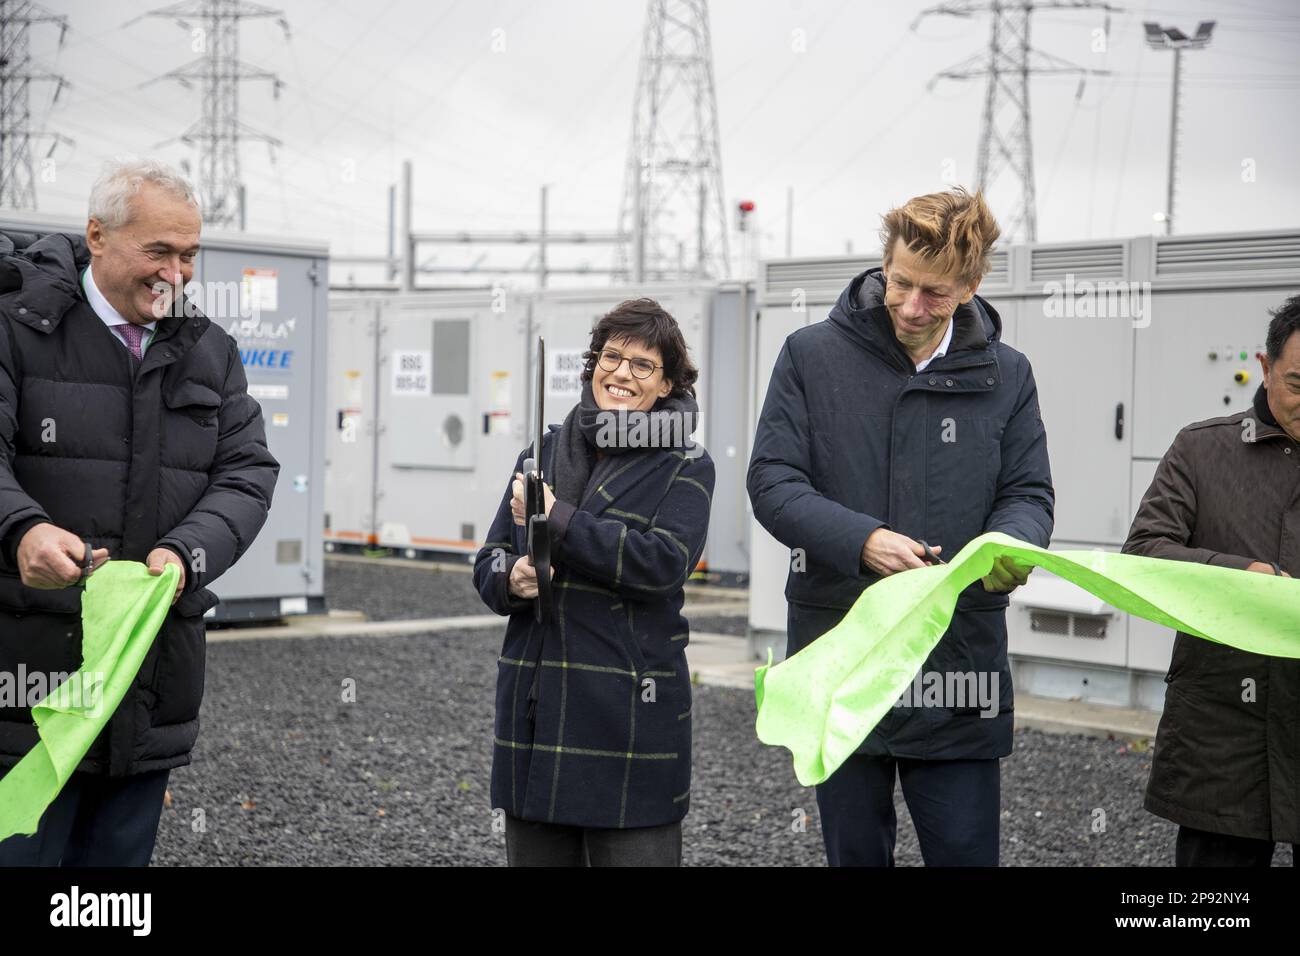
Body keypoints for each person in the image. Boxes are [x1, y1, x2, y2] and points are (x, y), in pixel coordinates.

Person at [747, 187, 1054, 866]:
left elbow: (1028, 493)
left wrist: (1013, 545)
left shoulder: (1008, 376)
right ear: (884, 263)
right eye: (901, 283)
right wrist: (861, 540)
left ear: (973, 284)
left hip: (958, 663)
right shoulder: (811, 356)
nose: (912, 307)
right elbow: (771, 483)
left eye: (936, 294)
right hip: (841, 656)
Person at [0, 158, 280, 866]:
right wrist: (21, 531)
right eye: (159, 251)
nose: (177, 274)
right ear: (97, 235)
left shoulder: (209, 350)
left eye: (189, 254)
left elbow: (247, 473)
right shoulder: (15, 330)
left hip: (148, 690)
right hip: (27, 690)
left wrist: (190, 551)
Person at [472, 298, 714, 866]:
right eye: (611, 356)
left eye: (642, 365)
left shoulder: (687, 463)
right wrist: (515, 577)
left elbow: (663, 563)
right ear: (592, 364)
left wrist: (560, 519)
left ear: (669, 383)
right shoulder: (544, 451)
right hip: (537, 708)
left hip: (628, 712)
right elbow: (488, 560)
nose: (621, 374)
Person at [1123, 293, 1300, 867]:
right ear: (1265, 367)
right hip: (1221, 730)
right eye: (1298, 384)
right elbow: (1145, 553)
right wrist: (1238, 574)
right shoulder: (1202, 449)